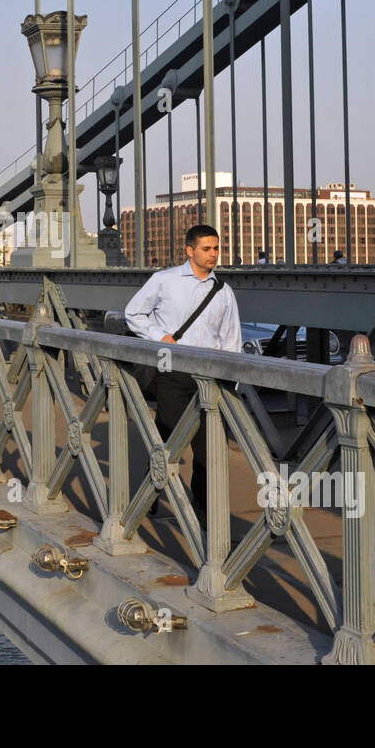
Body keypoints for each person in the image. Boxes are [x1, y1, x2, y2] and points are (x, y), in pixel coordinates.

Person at [125, 224, 242, 530]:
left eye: (217, 248)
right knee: (171, 441)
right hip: (172, 372)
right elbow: (133, 313)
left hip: (210, 378)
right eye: (207, 249)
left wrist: (231, 382)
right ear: (190, 250)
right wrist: (158, 336)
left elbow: (231, 338)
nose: (214, 254)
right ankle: (149, 493)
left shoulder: (224, 291)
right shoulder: (164, 281)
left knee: (208, 448)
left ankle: (203, 514)